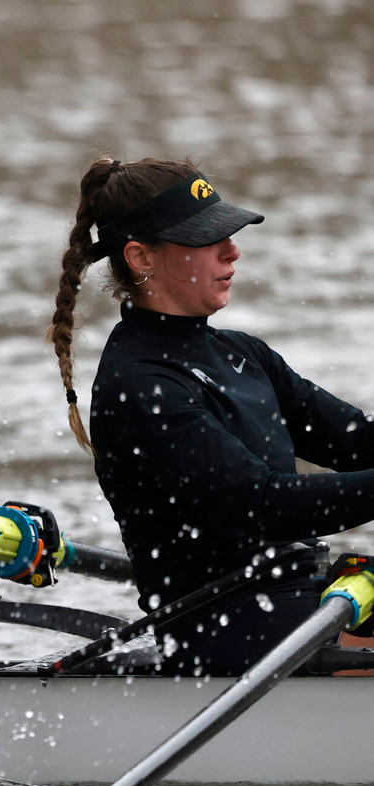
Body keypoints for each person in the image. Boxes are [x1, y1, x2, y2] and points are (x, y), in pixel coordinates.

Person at [45, 156, 374, 673]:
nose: (231, 250)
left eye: (227, 233)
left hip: (298, 601)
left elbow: (356, 442)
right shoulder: (140, 385)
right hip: (222, 631)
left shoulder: (244, 354)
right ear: (140, 257)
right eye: (204, 238)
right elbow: (262, 504)